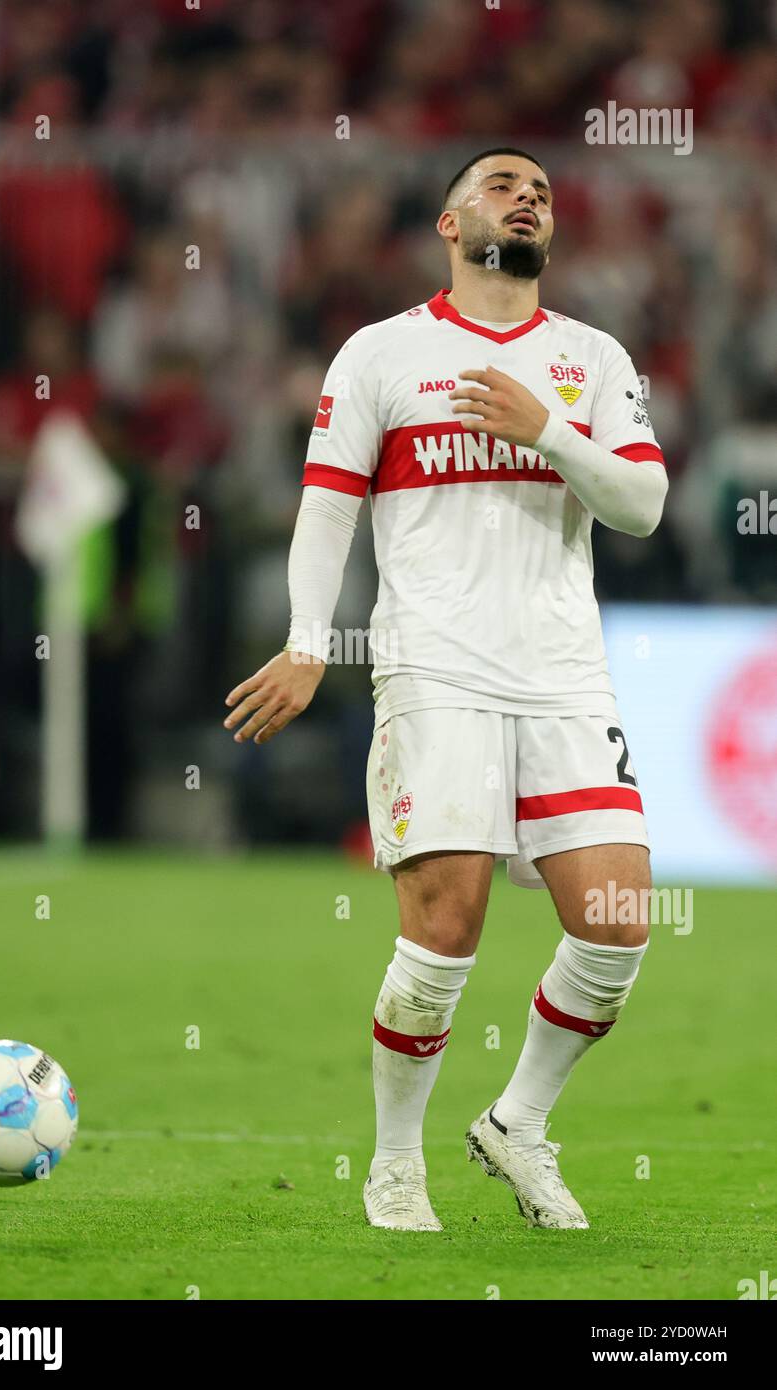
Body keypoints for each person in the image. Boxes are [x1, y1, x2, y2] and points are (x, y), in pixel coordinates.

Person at [223, 148, 667, 1232]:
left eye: (541, 192)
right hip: (433, 666)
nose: (527, 196)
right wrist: (306, 640)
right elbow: (328, 507)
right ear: (447, 220)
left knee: (615, 921)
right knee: (444, 927)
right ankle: (392, 1164)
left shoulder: (589, 357)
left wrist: (547, 430)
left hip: (564, 673)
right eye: (502, 183)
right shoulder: (382, 353)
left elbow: (643, 505)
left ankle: (517, 1120)